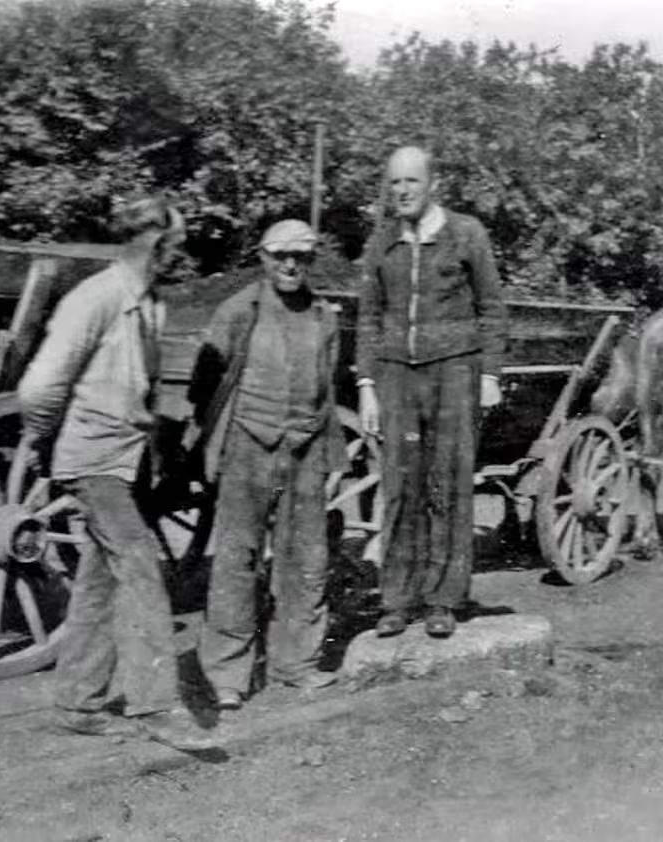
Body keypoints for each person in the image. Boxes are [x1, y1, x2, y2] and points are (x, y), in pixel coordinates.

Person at [17, 196, 220, 752]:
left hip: (126, 459)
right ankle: (157, 705)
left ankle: (76, 701)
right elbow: (39, 386)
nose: (180, 258)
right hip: (93, 458)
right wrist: (44, 438)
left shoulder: (149, 305)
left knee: (100, 578)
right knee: (140, 569)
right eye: (175, 246)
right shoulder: (95, 300)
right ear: (154, 244)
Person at [188, 219, 346, 711]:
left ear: (311, 260)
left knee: (306, 561)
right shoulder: (239, 311)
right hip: (248, 449)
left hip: (305, 451)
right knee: (237, 559)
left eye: (300, 256)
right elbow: (204, 385)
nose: (290, 265)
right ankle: (228, 675)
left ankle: (295, 664)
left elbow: (328, 390)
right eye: (281, 256)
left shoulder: (324, 317)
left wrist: (331, 456)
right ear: (263, 258)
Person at [356, 146, 507, 639]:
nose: (401, 191)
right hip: (397, 376)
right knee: (401, 489)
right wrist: (366, 385)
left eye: (411, 182)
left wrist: (488, 375)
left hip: (454, 373)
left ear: (432, 185)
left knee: (447, 485)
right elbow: (369, 319)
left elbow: (490, 306)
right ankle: (397, 600)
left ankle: (443, 599)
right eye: (394, 183)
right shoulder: (382, 241)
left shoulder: (466, 234)